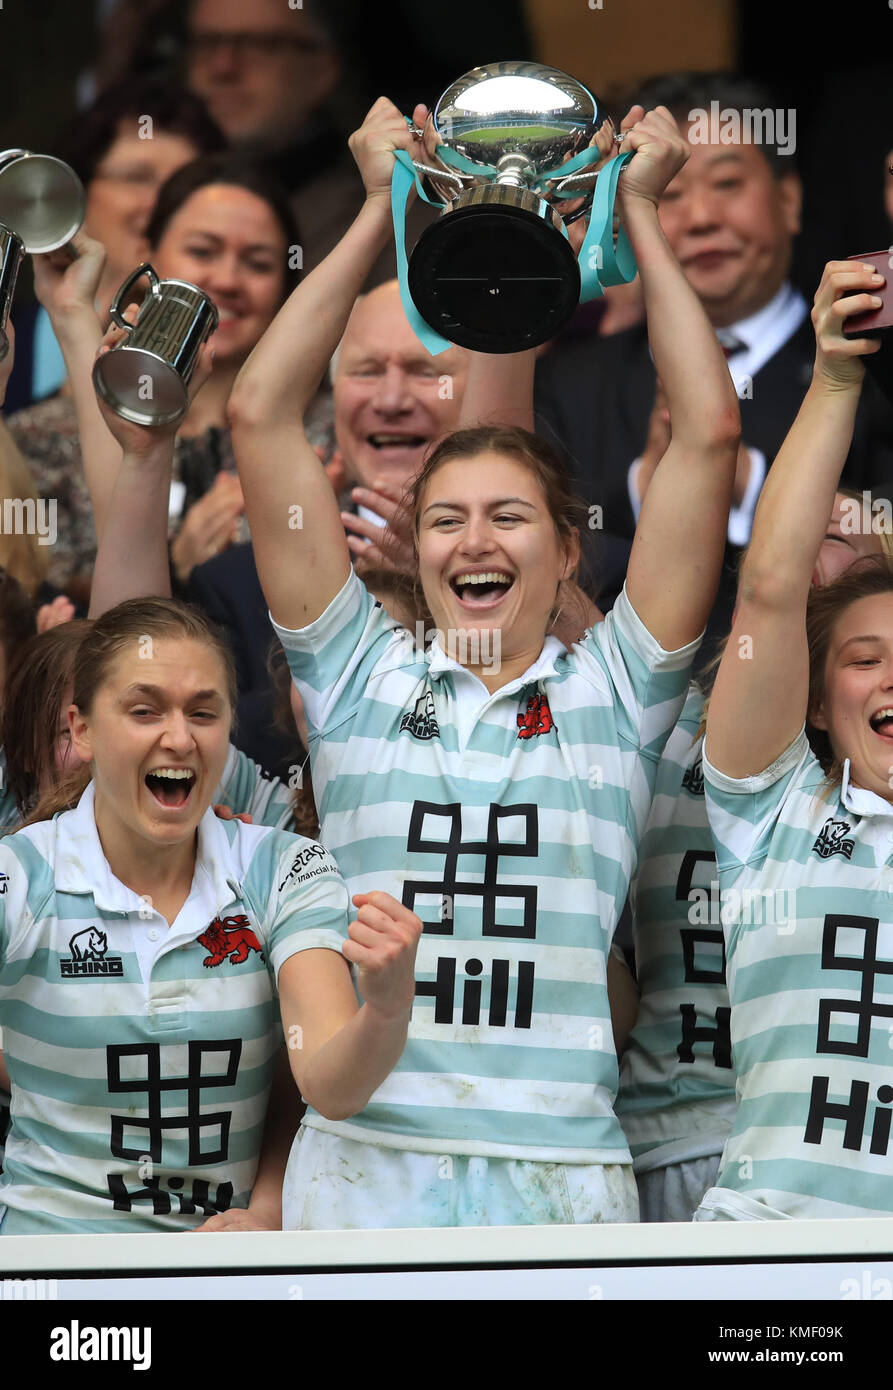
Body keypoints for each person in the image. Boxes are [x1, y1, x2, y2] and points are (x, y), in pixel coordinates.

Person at [226, 96, 739, 1228]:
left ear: (566, 551)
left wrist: (641, 215)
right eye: (445, 517)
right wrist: (374, 209)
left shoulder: (617, 689)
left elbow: (706, 433)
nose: (473, 541)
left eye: (509, 517)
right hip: (364, 1170)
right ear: (411, 546)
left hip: (563, 1177)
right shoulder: (354, 672)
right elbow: (261, 412)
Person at [0, 586, 422, 1233]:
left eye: (204, 713)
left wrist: (388, 1007)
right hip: (55, 1267)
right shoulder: (21, 875)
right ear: (82, 728)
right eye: (144, 711)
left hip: (221, 1268)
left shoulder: (285, 868)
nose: (178, 738)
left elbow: (331, 1086)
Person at [534, 72, 893, 656]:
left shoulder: (871, 363)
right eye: (668, 194)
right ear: (625, 220)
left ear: (789, 200)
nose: (700, 217)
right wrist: (646, 498)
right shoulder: (569, 384)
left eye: (727, 183)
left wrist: (750, 488)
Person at [617, 483, 893, 1222]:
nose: (802, 555)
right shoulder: (671, 719)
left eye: (835, 542)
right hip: (684, 1154)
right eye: (793, 535)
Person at [692, 259, 893, 1220]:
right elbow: (771, 588)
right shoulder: (767, 811)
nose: (891, 679)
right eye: (862, 658)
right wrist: (836, 378)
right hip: (765, 1247)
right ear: (813, 704)